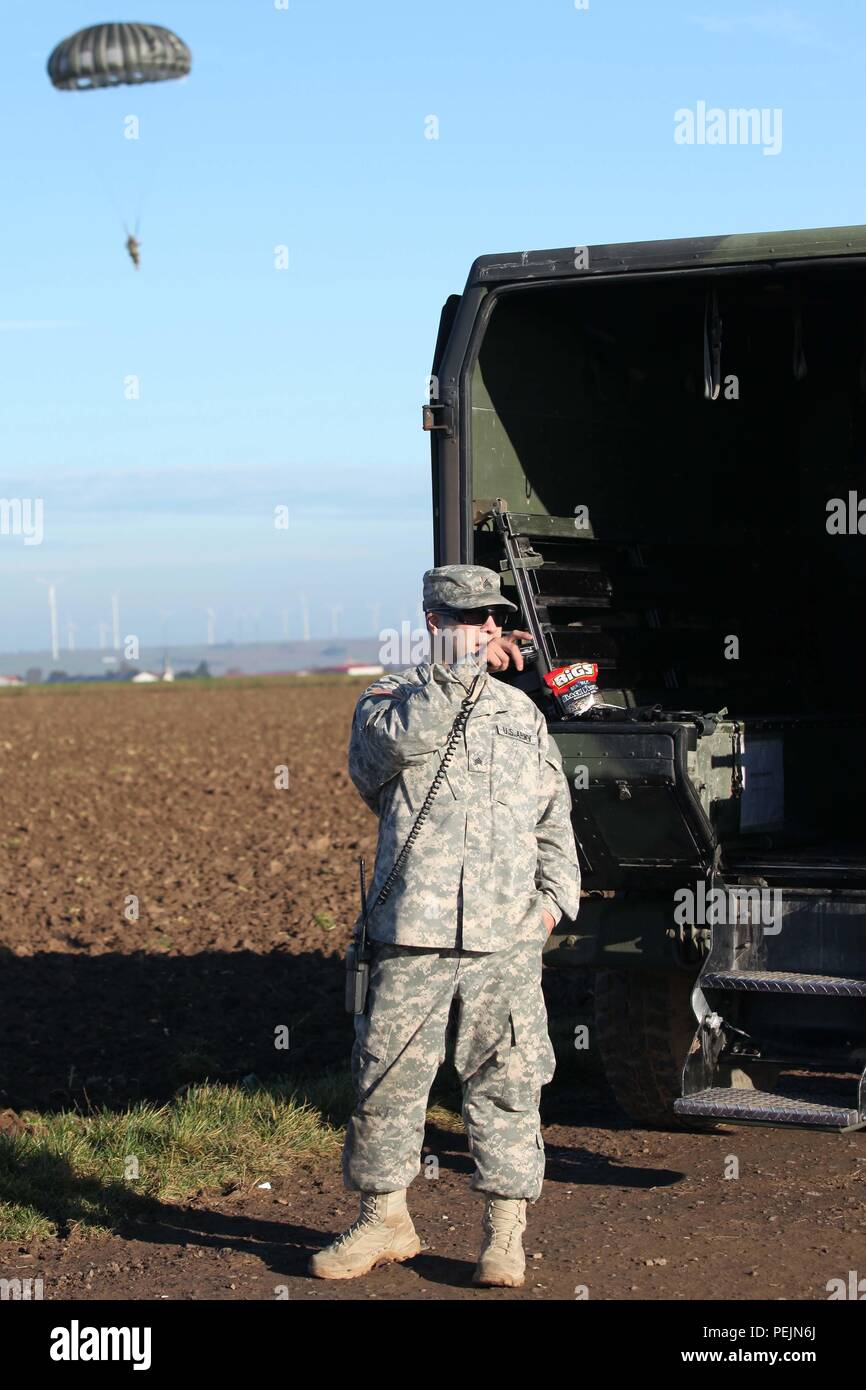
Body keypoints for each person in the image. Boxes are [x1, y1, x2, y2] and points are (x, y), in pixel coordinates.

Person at [308, 564, 581, 1286]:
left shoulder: (521, 715)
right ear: (434, 623)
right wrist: (459, 676)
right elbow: (384, 757)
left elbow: (555, 819)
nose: (489, 627)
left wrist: (552, 903)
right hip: (413, 935)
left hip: (506, 940)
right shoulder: (388, 702)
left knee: (509, 1082)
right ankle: (384, 1220)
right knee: (387, 1083)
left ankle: (505, 1232)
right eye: (470, 617)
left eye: (494, 616)